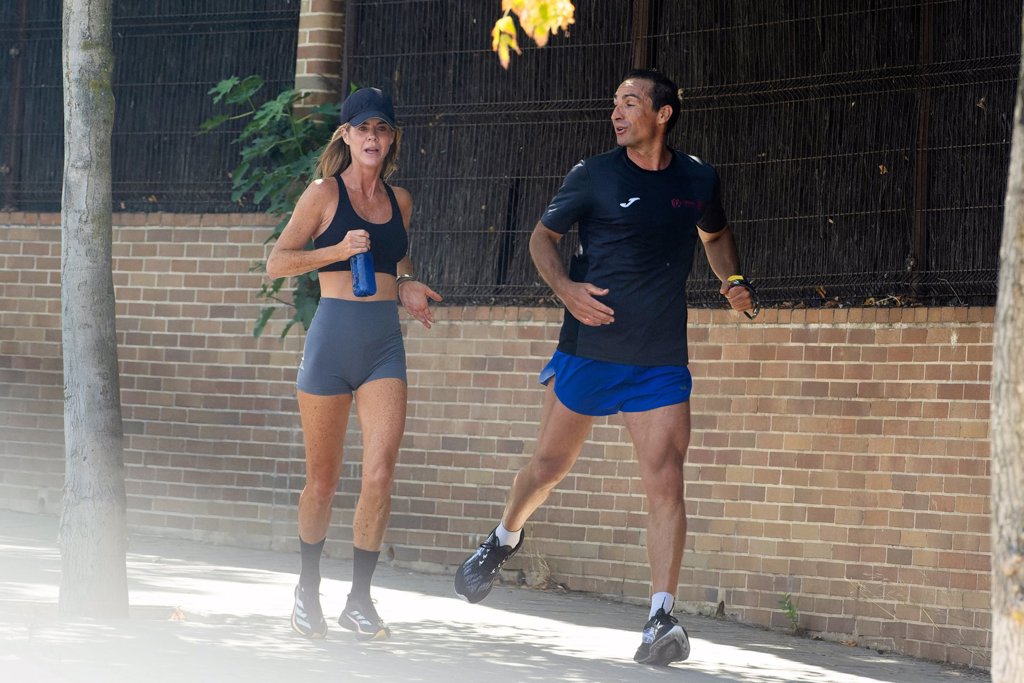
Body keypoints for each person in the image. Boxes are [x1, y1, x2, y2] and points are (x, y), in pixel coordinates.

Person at [453, 68, 757, 666]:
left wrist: (734, 279)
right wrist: (565, 289)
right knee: (546, 467)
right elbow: (542, 239)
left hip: (659, 359)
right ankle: (504, 536)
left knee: (666, 477)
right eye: (614, 103)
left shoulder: (697, 177)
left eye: (630, 103)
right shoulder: (592, 175)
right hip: (589, 350)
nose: (617, 113)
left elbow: (715, 234)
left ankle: (660, 618)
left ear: (663, 114)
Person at [267, 87, 441, 641]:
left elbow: (399, 254)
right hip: (331, 341)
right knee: (322, 482)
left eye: (382, 129)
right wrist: (337, 251)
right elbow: (277, 262)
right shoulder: (323, 193)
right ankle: (306, 589)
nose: (373, 137)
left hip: (383, 344)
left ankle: (359, 599)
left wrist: (409, 285)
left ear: (392, 139)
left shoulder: (401, 200)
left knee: (381, 473)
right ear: (345, 135)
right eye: (362, 128)